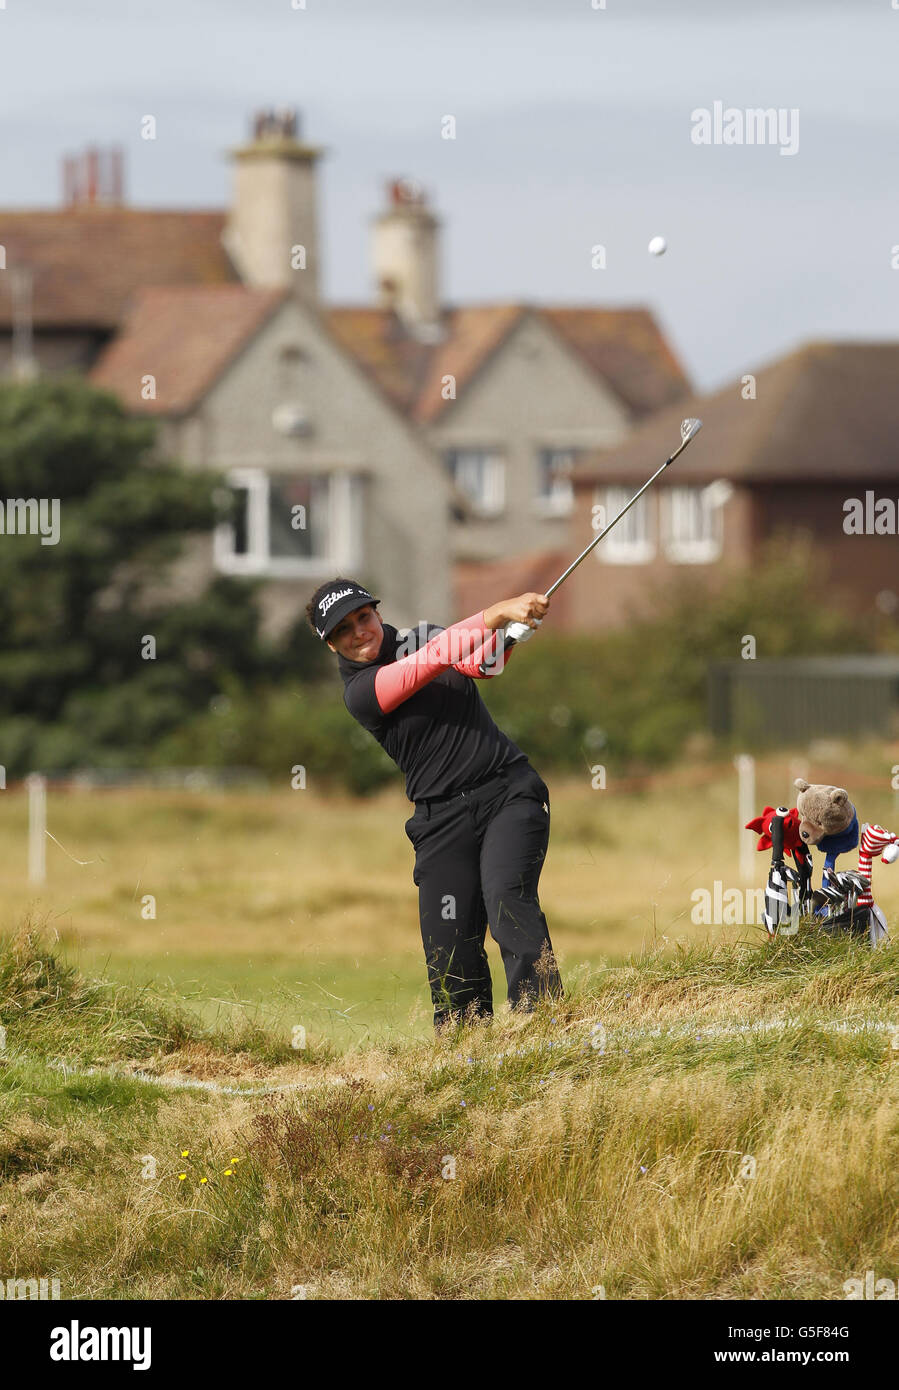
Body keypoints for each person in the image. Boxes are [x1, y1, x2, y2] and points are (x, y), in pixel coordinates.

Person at [305, 577, 563, 1030]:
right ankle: (466, 1055)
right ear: (330, 644)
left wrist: (511, 634)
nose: (359, 632)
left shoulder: (422, 635)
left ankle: (542, 1026)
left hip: (507, 793)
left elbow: (482, 665)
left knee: (507, 901)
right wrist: (498, 612)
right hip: (440, 822)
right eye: (343, 630)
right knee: (449, 953)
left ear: (377, 613)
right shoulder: (362, 692)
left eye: (363, 618)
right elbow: (435, 659)